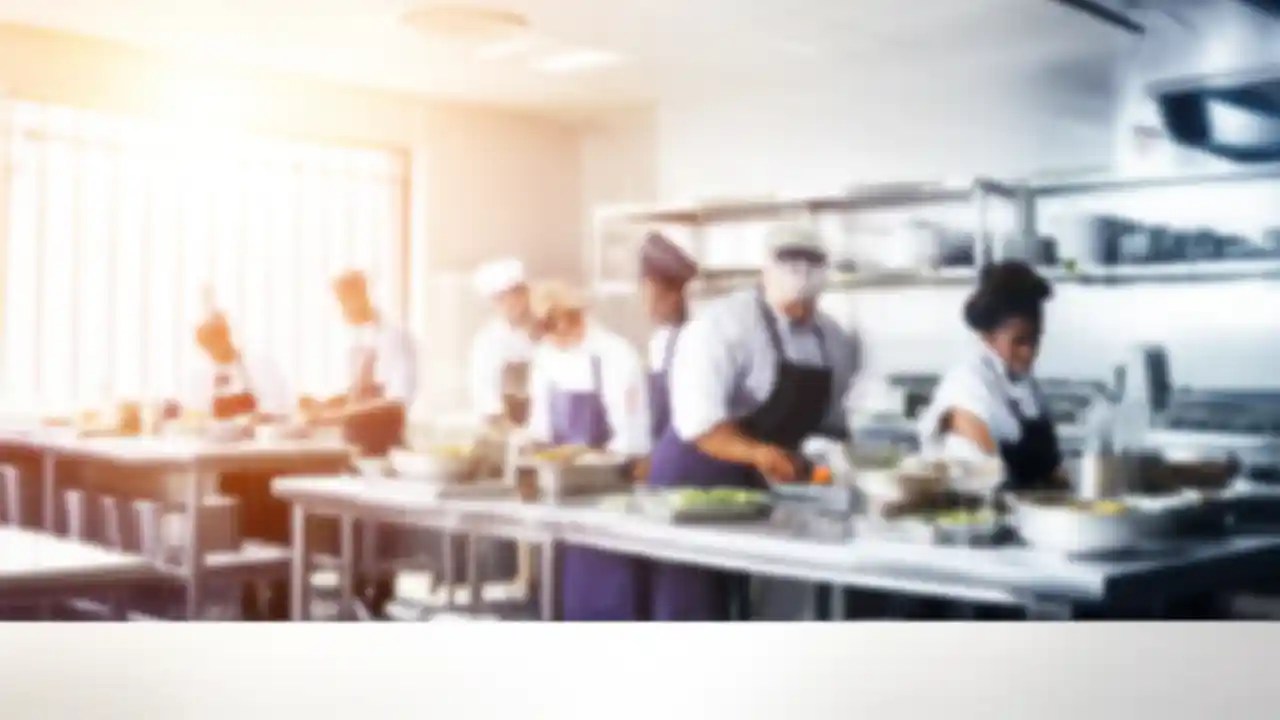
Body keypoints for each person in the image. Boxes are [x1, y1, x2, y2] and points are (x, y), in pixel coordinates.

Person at [647, 223, 862, 621]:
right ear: (765, 269)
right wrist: (763, 454)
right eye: (788, 261)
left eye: (811, 262)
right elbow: (701, 424)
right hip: (696, 481)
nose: (800, 271)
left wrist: (833, 460)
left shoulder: (833, 340)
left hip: (768, 488)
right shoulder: (722, 325)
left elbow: (830, 423)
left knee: (766, 610)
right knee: (695, 612)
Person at [525, 281, 650, 620]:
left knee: (611, 594)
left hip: (610, 490)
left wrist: (588, 459)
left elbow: (632, 439)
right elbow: (540, 427)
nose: (551, 333)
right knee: (565, 593)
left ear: (575, 316)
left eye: (556, 323)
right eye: (544, 326)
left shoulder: (614, 353)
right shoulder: (546, 356)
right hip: (562, 492)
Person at [306, 270, 418, 617]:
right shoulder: (351, 337)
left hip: (384, 437)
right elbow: (354, 389)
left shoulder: (396, 337)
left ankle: (382, 595)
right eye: (340, 301)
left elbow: (396, 398)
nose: (344, 307)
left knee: (382, 523)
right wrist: (326, 404)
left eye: (349, 298)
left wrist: (335, 415)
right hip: (352, 439)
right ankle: (353, 592)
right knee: (352, 520)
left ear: (364, 293)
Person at [183, 310, 293, 620]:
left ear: (228, 334)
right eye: (206, 343)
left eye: (217, 338)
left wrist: (256, 418)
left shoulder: (259, 365)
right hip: (228, 462)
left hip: (265, 461)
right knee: (238, 529)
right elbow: (197, 414)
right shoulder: (201, 375)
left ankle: (280, 595)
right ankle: (246, 596)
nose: (213, 348)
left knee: (272, 530)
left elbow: (281, 406)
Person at [916, 261, 1064, 491]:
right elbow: (993, 468)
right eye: (1019, 342)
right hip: (976, 513)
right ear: (988, 336)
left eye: (1035, 339)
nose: (1030, 352)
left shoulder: (1027, 388)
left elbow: (1052, 470)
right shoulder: (966, 385)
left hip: (1026, 514)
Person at [639, 232, 698, 444]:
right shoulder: (658, 341)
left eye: (653, 294)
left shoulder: (693, 343)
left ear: (676, 296)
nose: (647, 304)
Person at [469, 258, 537, 428]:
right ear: (494, 303)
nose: (513, 302)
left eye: (517, 294)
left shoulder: (553, 333)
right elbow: (487, 400)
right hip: (509, 431)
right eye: (502, 298)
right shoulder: (487, 342)